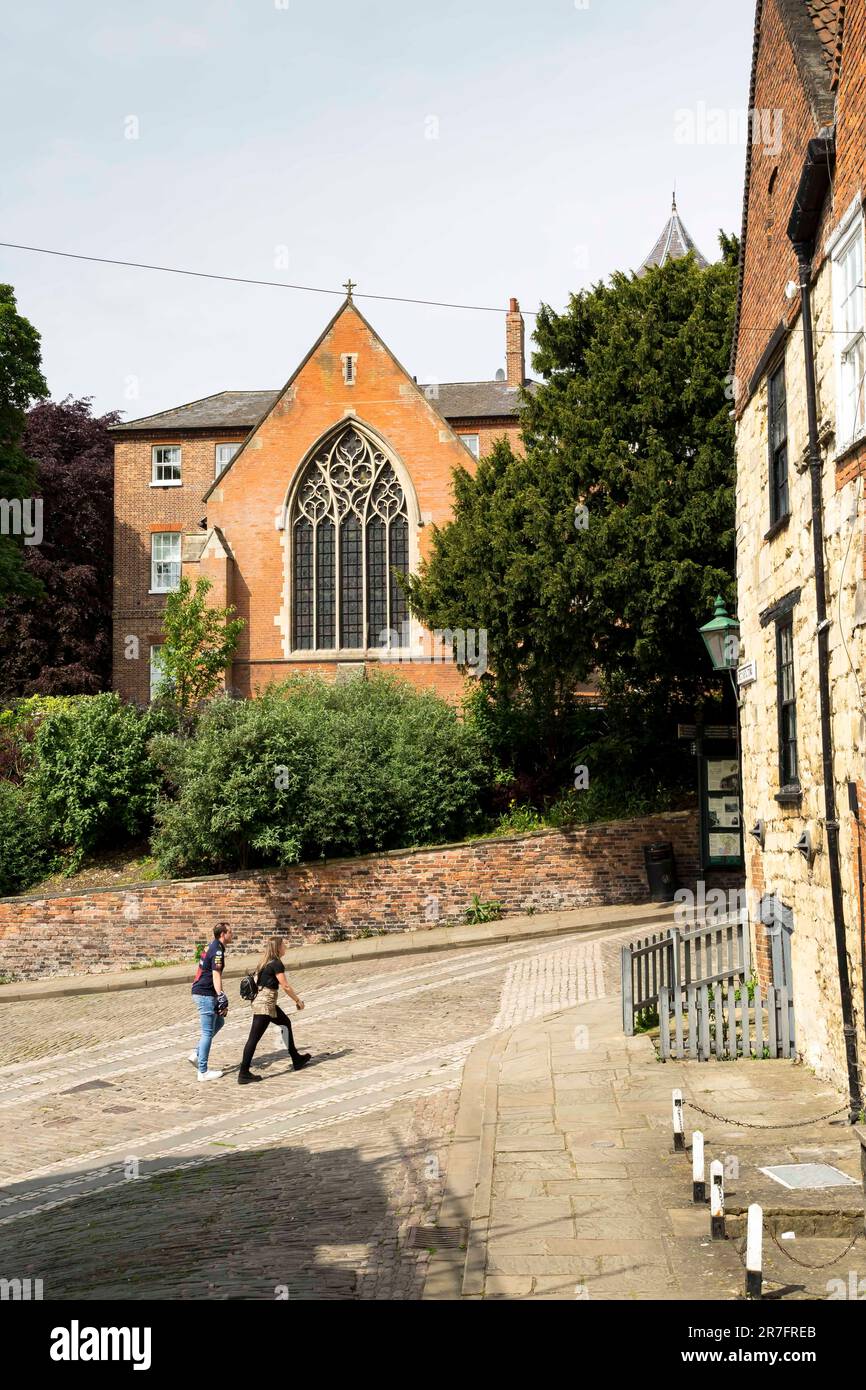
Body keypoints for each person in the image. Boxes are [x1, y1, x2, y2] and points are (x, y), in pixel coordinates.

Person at [238, 935, 311, 1085]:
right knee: (254, 1038)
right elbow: (285, 986)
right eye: (283, 945)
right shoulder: (276, 963)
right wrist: (298, 1001)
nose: (285, 947)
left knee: (285, 1023)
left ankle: (296, 1058)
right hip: (265, 1004)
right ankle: (243, 1073)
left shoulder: (264, 962)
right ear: (278, 948)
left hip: (265, 1002)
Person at [189, 923, 232, 1082]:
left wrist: (219, 995)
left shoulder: (213, 946)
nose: (232, 935)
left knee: (219, 1022)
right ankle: (203, 1071)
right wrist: (221, 996)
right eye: (230, 932)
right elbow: (216, 975)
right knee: (207, 1032)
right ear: (223, 934)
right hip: (205, 994)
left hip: (203, 992)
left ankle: (197, 1054)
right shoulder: (218, 950)